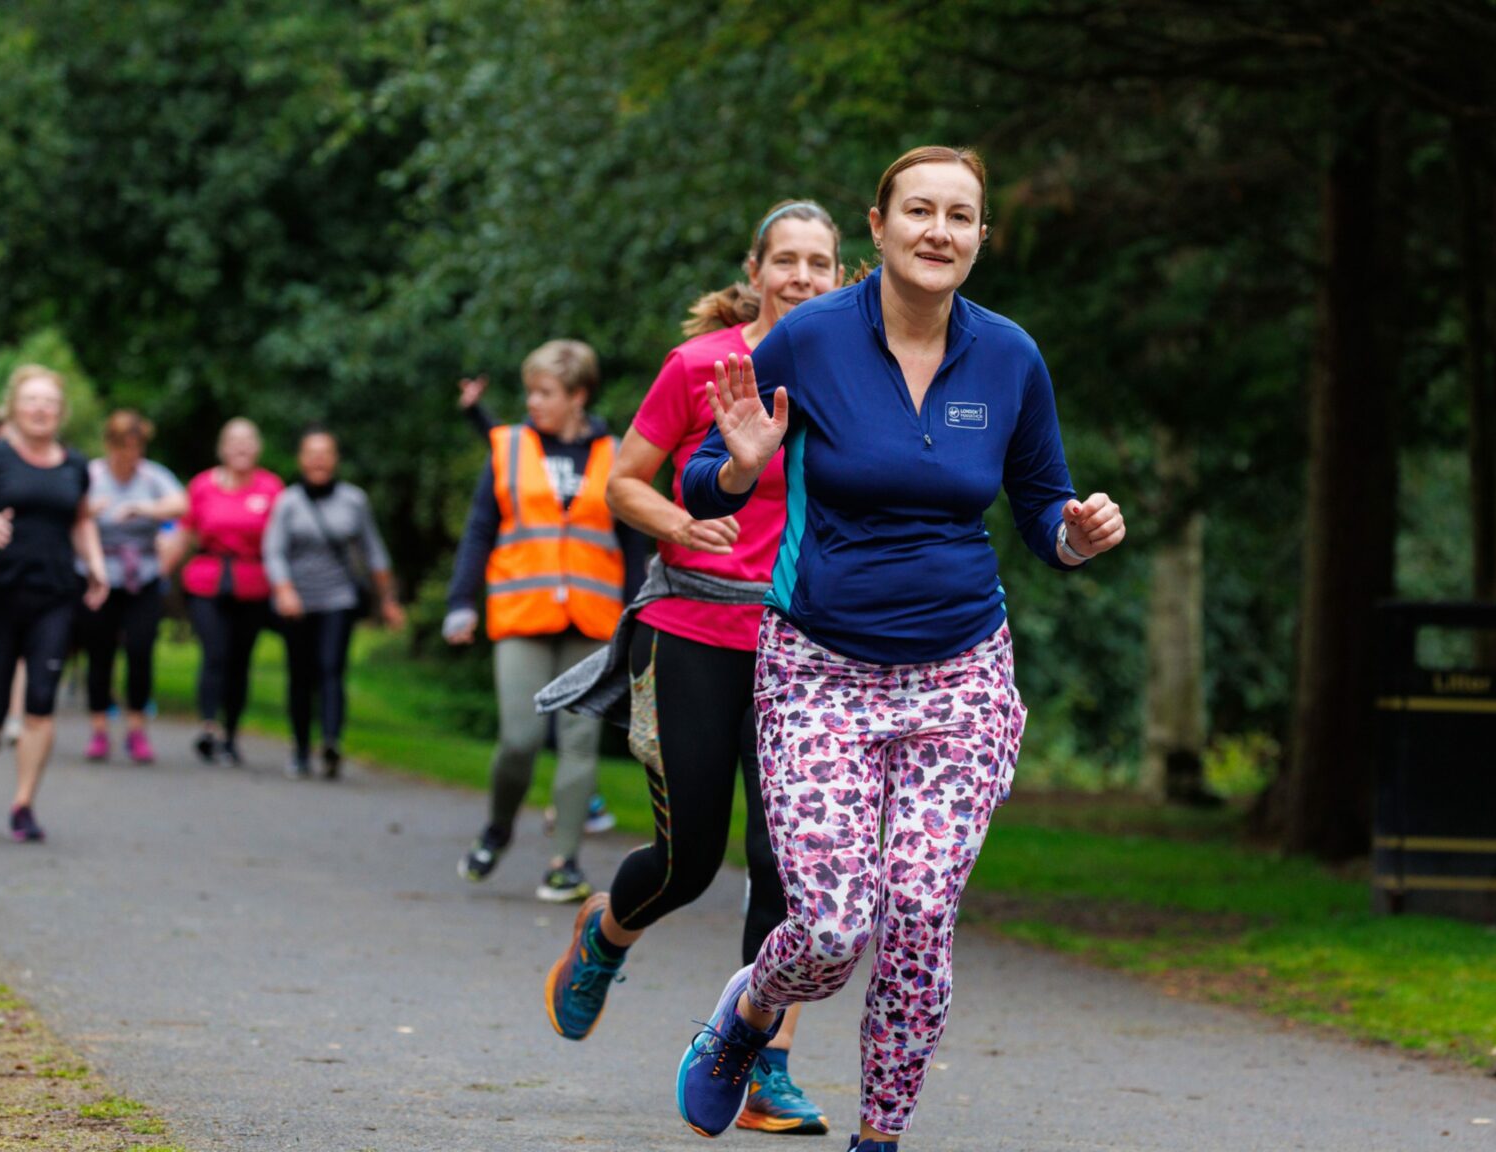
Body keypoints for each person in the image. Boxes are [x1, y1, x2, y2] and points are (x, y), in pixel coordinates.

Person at [672, 148, 1126, 1150]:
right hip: (821, 669)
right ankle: (748, 1013)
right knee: (833, 929)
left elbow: (1042, 499)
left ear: (980, 238)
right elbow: (704, 474)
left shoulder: (1010, 355)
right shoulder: (813, 338)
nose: (939, 231)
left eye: (960, 217)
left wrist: (1071, 534)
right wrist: (740, 466)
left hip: (961, 675)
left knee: (918, 919)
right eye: (918, 211)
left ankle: (880, 1136)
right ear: (875, 227)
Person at [539, 200, 841, 1136]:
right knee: (691, 859)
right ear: (754, 272)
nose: (800, 277)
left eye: (819, 264)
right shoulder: (702, 365)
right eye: (784, 261)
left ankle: (764, 1065)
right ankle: (606, 932)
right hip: (691, 629)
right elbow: (623, 479)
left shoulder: (859, 378)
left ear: (843, 277)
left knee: (789, 864)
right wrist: (679, 523)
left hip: (802, 646)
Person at [445, 340, 624, 903]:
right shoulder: (509, 446)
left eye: (546, 392)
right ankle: (498, 828)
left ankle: (563, 862)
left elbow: (634, 539)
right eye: (531, 391)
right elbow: (479, 530)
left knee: (579, 741)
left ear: (579, 396)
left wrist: (645, 614)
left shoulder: (616, 453)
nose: (533, 402)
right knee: (520, 739)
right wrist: (459, 602)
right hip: (522, 612)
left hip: (594, 617)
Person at [0, 366, 109, 840]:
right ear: (14, 407)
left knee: (39, 703)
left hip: (54, 597)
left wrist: (95, 562)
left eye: (49, 402)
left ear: (61, 412)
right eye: (31, 400)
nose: (40, 409)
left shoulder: (75, 465)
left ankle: (23, 805)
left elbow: (81, 520)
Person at [264, 427, 404, 779]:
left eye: (325, 453)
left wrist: (388, 600)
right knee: (300, 676)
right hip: (297, 601)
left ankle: (330, 741)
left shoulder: (354, 501)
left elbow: (374, 553)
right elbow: (273, 550)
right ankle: (299, 749)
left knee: (331, 669)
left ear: (335, 459)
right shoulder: (288, 502)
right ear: (301, 459)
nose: (318, 460)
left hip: (338, 598)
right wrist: (283, 590)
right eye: (311, 453)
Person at [77, 410, 188, 765]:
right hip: (99, 577)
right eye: (123, 448)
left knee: (140, 650)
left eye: (136, 448)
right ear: (110, 445)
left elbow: (181, 504)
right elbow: (71, 512)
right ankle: (98, 729)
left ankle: (137, 729)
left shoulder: (152, 476)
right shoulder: (91, 475)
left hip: (142, 576)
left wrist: (145, 508)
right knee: (100, 653)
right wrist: (90, 510)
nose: (130, 456)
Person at [180, 417, 283, 766]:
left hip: (253, 582)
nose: (240, 447)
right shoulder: (202, 486)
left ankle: (232, 734)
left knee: (240, 660)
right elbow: (187, 532)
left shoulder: (271, 489)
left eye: (248, 441)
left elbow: (282, 541)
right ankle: (209, 726)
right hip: (208, 580)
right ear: (222, 448)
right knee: (216, 652)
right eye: (233, 441)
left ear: (258, 448)